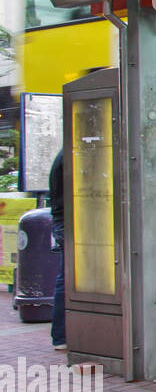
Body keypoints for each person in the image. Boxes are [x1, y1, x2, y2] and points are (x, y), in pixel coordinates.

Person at [49, 149, 66, 352]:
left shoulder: (62, 155)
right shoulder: (70, 157)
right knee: (67, 277)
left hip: (62, 220)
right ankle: (61, 335)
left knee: (66, 277)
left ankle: (61, 335)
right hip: (68, 221)